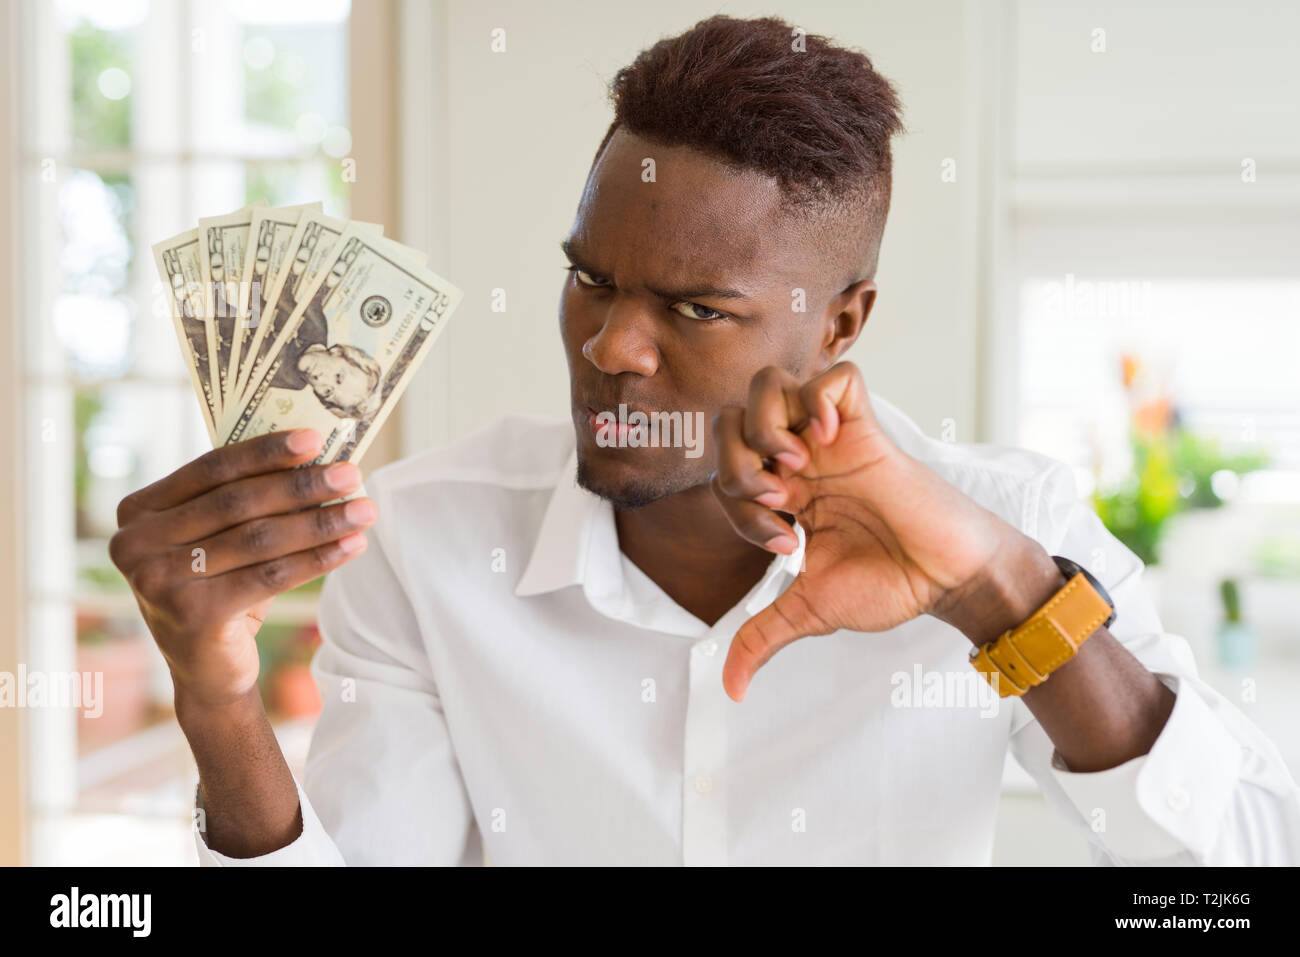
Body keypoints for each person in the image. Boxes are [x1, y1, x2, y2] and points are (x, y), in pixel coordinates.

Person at [110, 14, 1299, 865]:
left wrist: (998, 594)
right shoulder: (427, 539)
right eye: (590, 280)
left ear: (841, 323)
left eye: (694, 309)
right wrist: (217, 703)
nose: (614, 348)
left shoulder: (1010, 531)